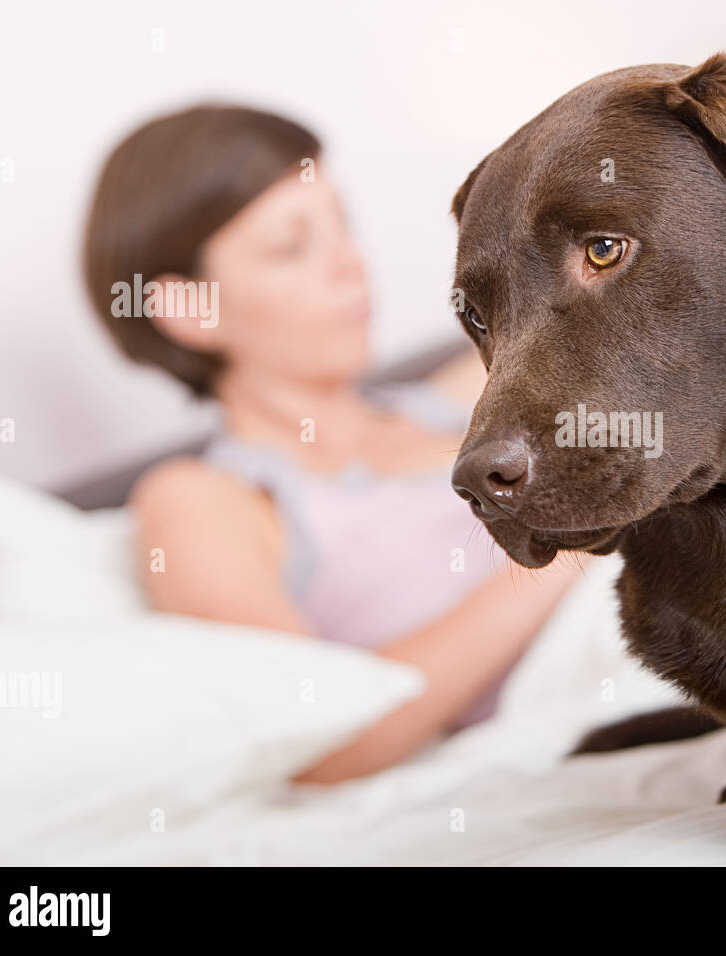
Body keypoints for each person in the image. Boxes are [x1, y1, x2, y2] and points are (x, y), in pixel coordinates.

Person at [81, 105, 584, 783]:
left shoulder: (479, 384)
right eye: (293, 245)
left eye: (342, 224)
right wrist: (572, 550)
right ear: (185, 309)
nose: (348, 263)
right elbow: (317, 740)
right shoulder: (204, 501)